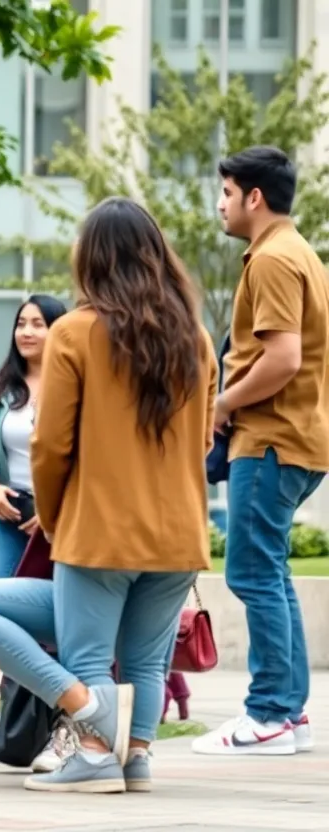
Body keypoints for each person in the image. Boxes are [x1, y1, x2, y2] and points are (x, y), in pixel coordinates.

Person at [0, 196, 217, 794]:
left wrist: (57, 518)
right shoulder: (194, 336)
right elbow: (201, 440)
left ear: (92, 258)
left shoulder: (76, 332)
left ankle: (92, 748)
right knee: (146, 659)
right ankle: (134, 757)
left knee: (55, 641)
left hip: (99, 530)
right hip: (179, 535)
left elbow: (50, 446)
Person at [193, 146, 329, 756]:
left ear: (254, 197)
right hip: (297, 439)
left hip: (270, 438)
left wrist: (221, 406)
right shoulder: (303, 255)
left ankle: (270, 712)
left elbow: (283, 359)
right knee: (269, 571)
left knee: (250, 572)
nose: (219, 205)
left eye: (226, 193)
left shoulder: (273, 259)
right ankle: (289, 714)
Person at [0, 296, 69, 769]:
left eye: (38, 324)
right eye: (21, 323)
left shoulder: (72, 386)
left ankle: (55, 713)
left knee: (56, 616)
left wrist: (52, 508)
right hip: (4, 508)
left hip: (55, 517)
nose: (27, 332)